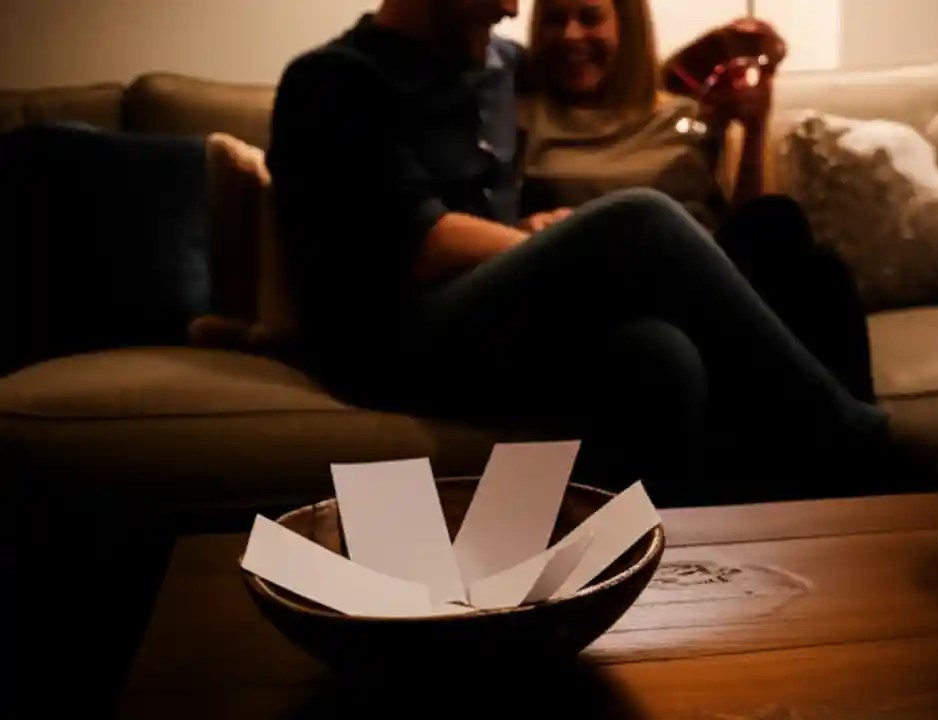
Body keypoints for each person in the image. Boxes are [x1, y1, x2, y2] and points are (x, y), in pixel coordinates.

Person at [266, 0, 891, 506]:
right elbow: (421, 245)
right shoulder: (333, 81)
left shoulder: (486, 65)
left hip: (487, 321)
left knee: (657, 353)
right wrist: (551, 243)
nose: (511, 13)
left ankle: (679, 590)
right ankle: (861, 446)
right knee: (636, 220)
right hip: (392, 341)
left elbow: (614, 75)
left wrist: (716, 60)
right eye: (493, 6)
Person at [519, 0, 875, 402]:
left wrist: (754, 128)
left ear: (627, 26)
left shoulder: (685, 114)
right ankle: (858, 436)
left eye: (589, 18)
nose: (570, 35)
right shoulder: (522, 118)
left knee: (808, 256)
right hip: (609, 293)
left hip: (714, 283)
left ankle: (845, 445)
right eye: (554, 20)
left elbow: (748, 222)